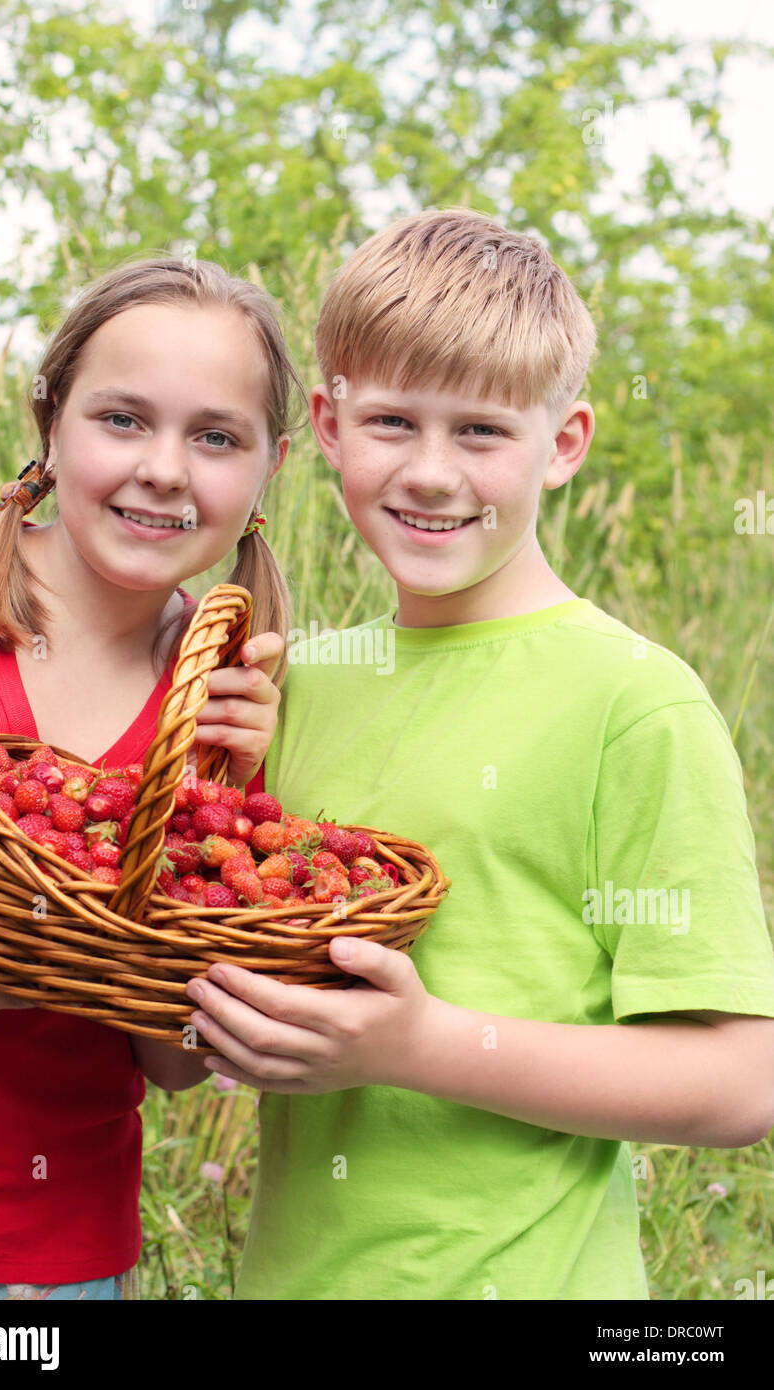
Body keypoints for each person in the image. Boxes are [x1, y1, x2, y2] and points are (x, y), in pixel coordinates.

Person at [181, 209, 774, 1300]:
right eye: (392, 422)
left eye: (482, 433)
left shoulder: (631, 702)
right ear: (326, 422)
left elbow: (739, 1083)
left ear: (563, 444)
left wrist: (415, 1045)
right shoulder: (301, 681)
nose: (431, 474)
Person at [0, 255, 304, 1299]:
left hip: (51, 1256)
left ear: (268, 467)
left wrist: (217, 808)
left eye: (216, 437)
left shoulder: (217, 701)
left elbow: (173, 1060)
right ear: (50, 422)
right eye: (122, 419)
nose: (166, 469)